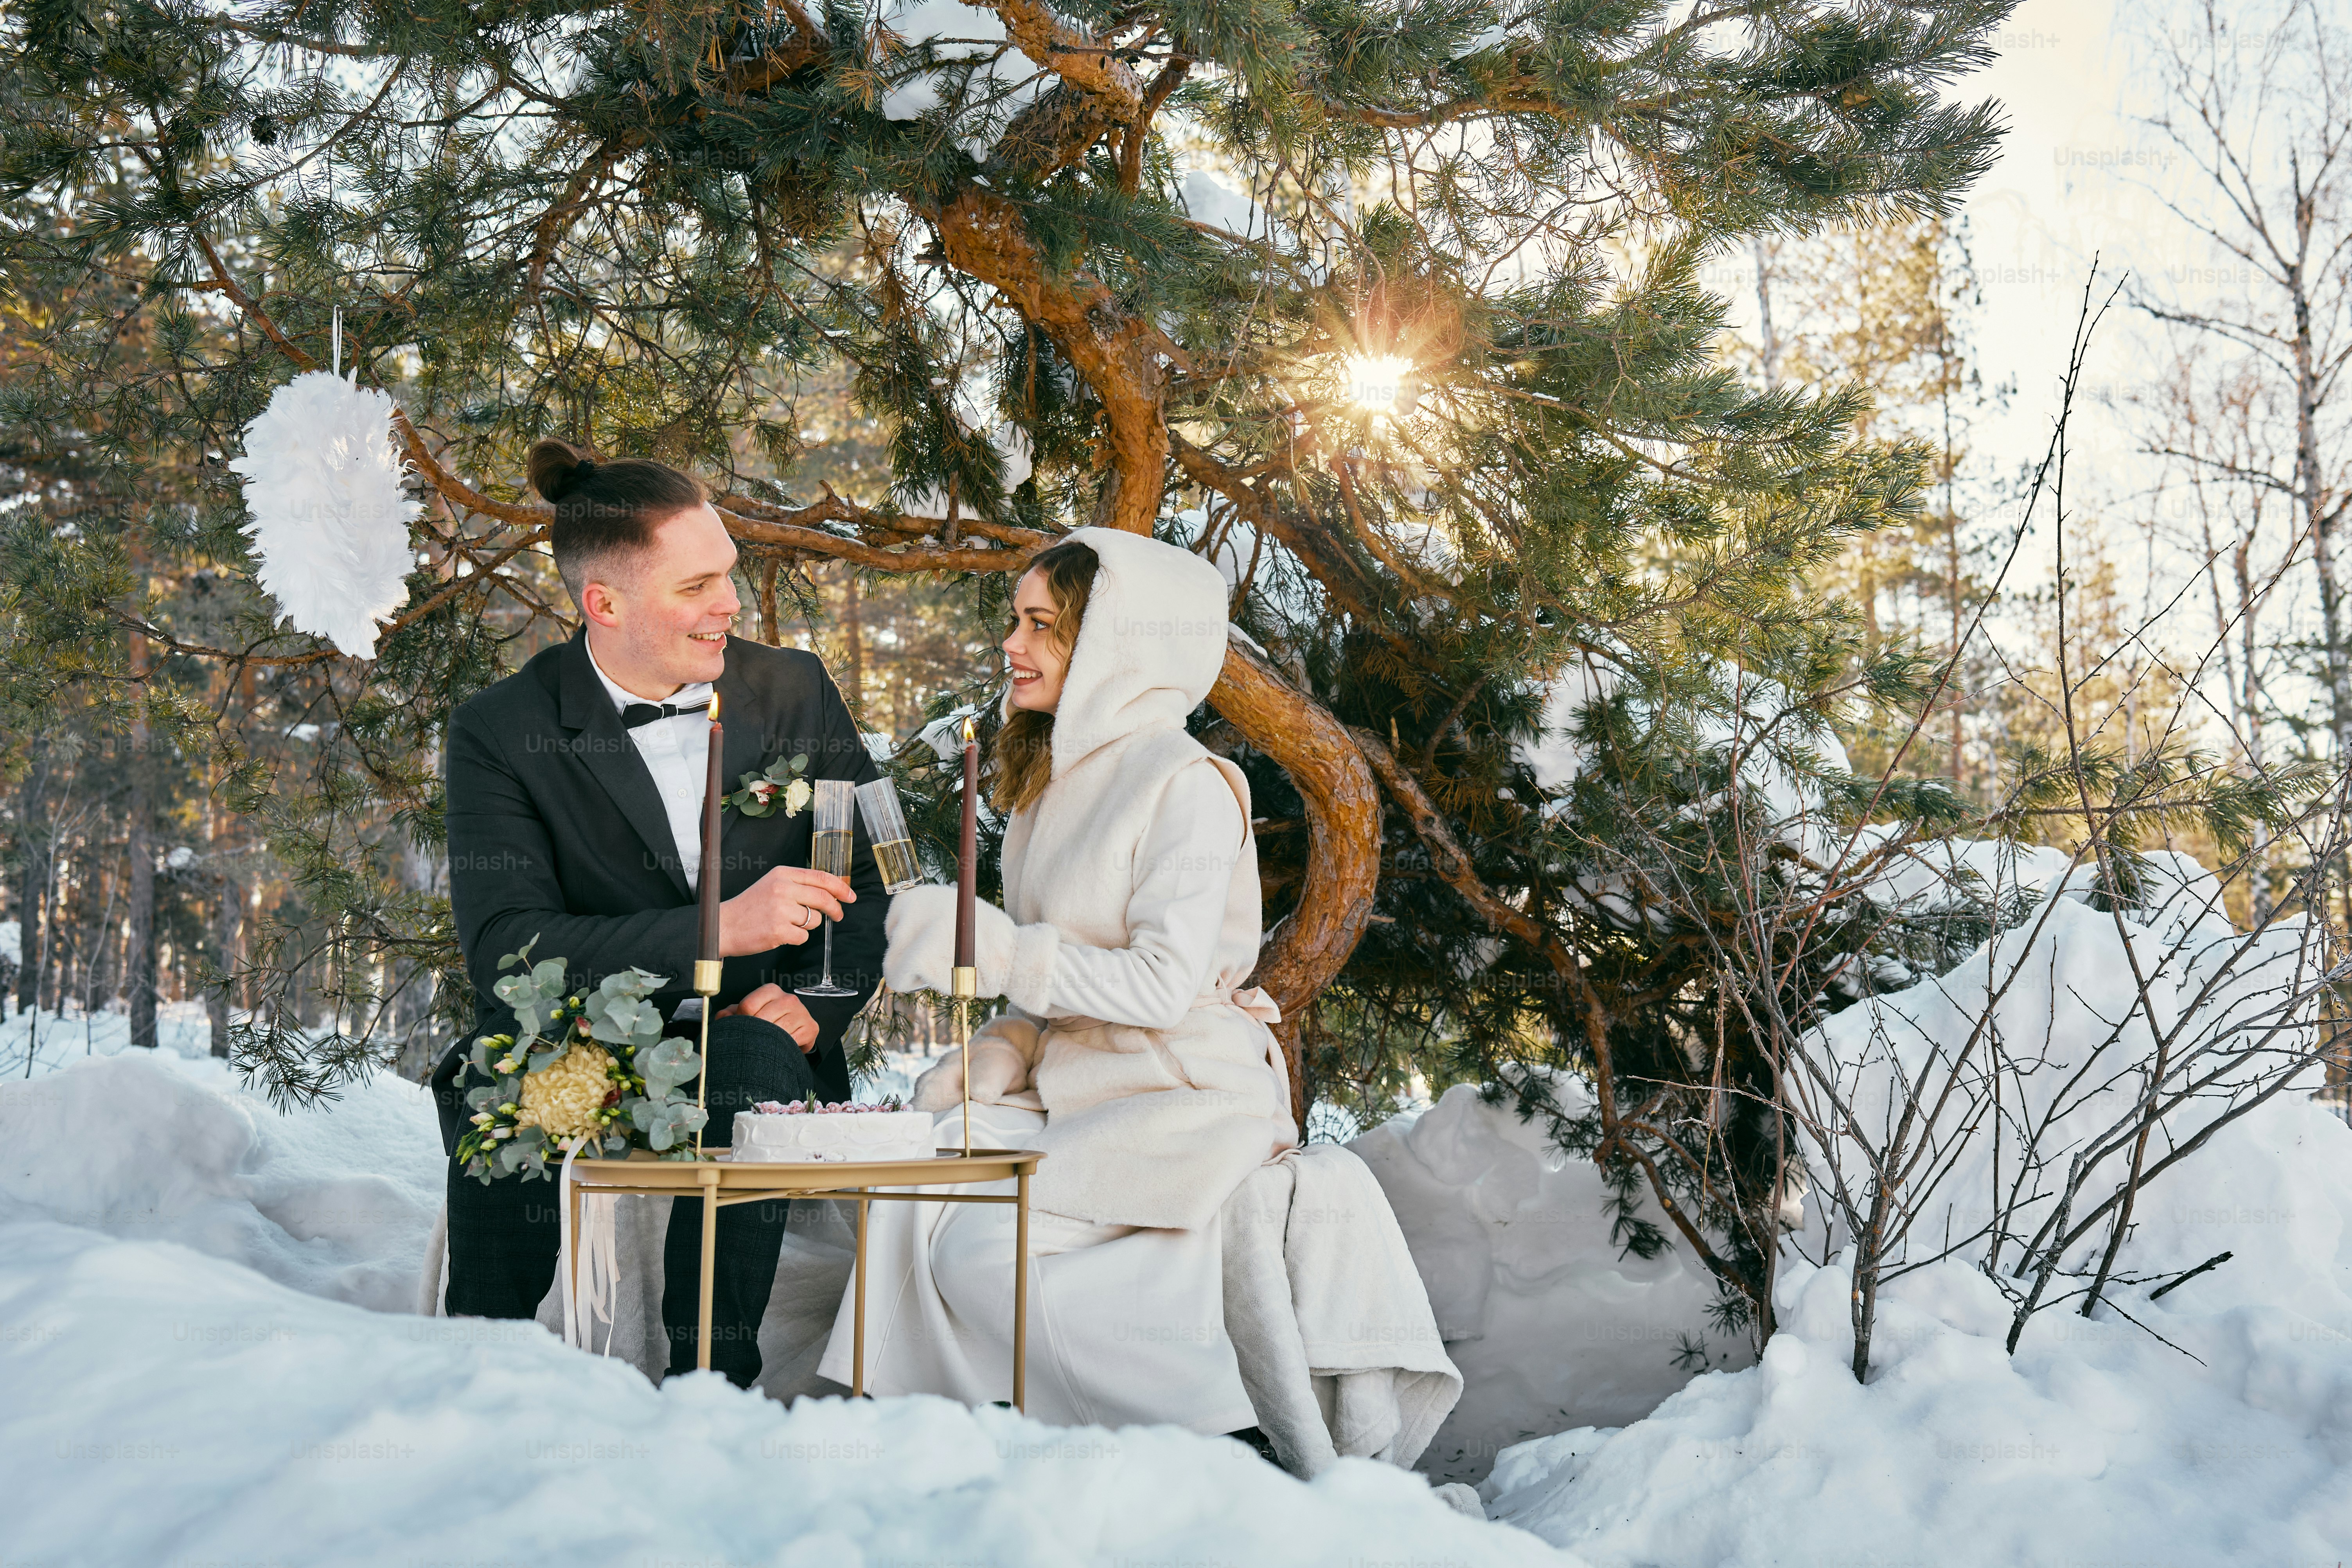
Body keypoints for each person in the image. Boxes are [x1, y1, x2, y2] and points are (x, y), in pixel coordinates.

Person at [431, 439, 891, 1386]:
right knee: (495, 1079)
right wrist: (716, 930)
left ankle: (711, 1393)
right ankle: (477, 1379)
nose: (731, 603)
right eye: (698, 585)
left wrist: (817, 1002)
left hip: (754, 1038)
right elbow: (507, 953)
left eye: (729, 573)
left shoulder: (791, 688)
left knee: (759, 1060)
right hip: (582, 1045)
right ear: (605, 604)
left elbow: (873, 878)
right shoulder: (500, 728)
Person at [819, 528, 1294, 1432]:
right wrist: (1003, 1045)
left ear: (1117, 644)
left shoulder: (1185, 784)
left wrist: (991, 951)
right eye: (1015, 621)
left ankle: (1219, 1435)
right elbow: (1051, 981)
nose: (1012, 644)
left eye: (1043, 625)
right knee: (909, 1192)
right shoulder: (1046, 785)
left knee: (978, 1258)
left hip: (1175, 1090)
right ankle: (944, 1440)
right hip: (1073, 1086)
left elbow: (1157, 988)